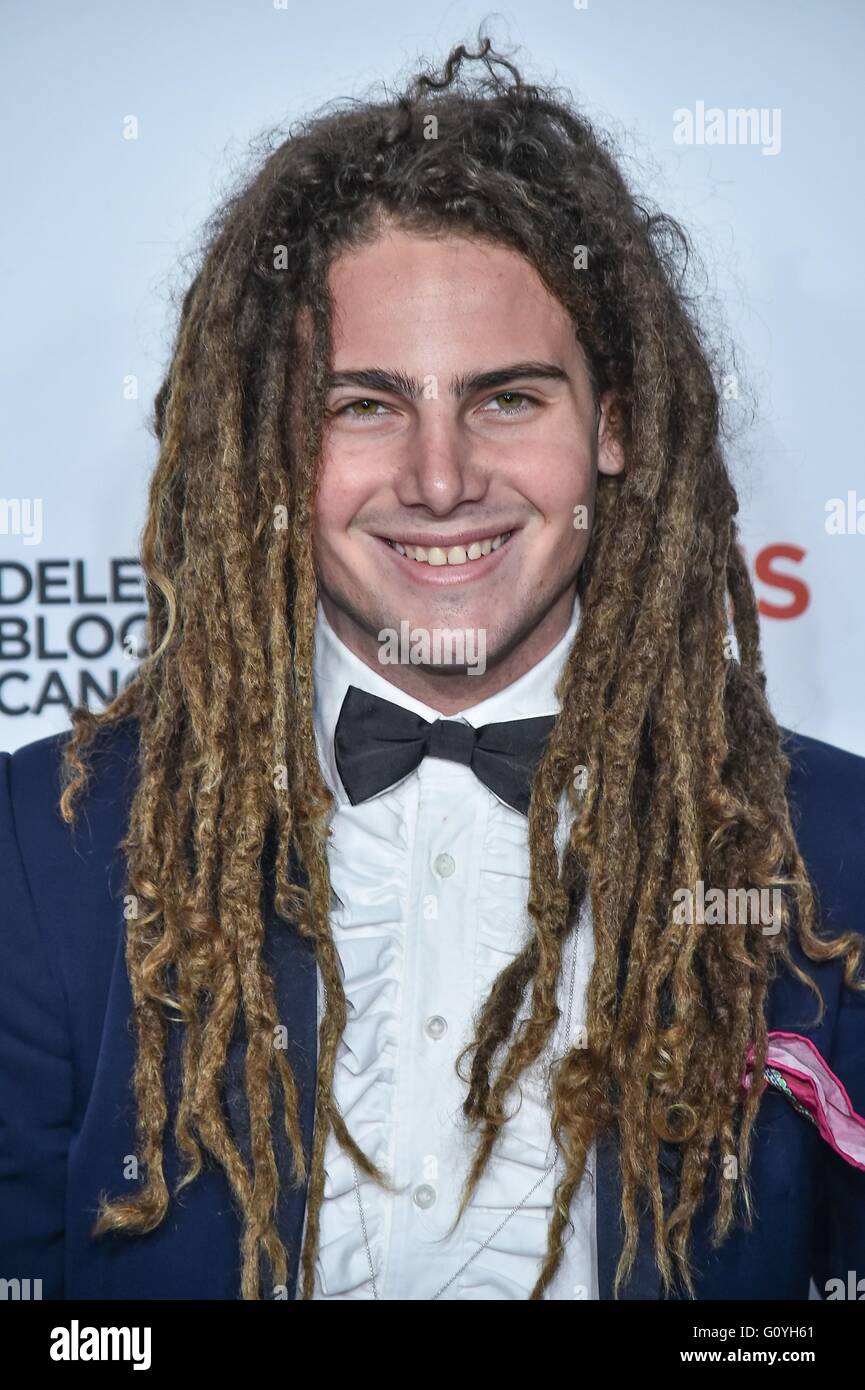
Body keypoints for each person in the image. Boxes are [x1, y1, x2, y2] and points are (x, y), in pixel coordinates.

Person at [1, 36, 863, 1302]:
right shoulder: (49, 851)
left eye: (507, 398)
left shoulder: (830, 853)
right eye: (363, 405)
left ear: (614, 425)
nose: (441, 477)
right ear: (268, 445)